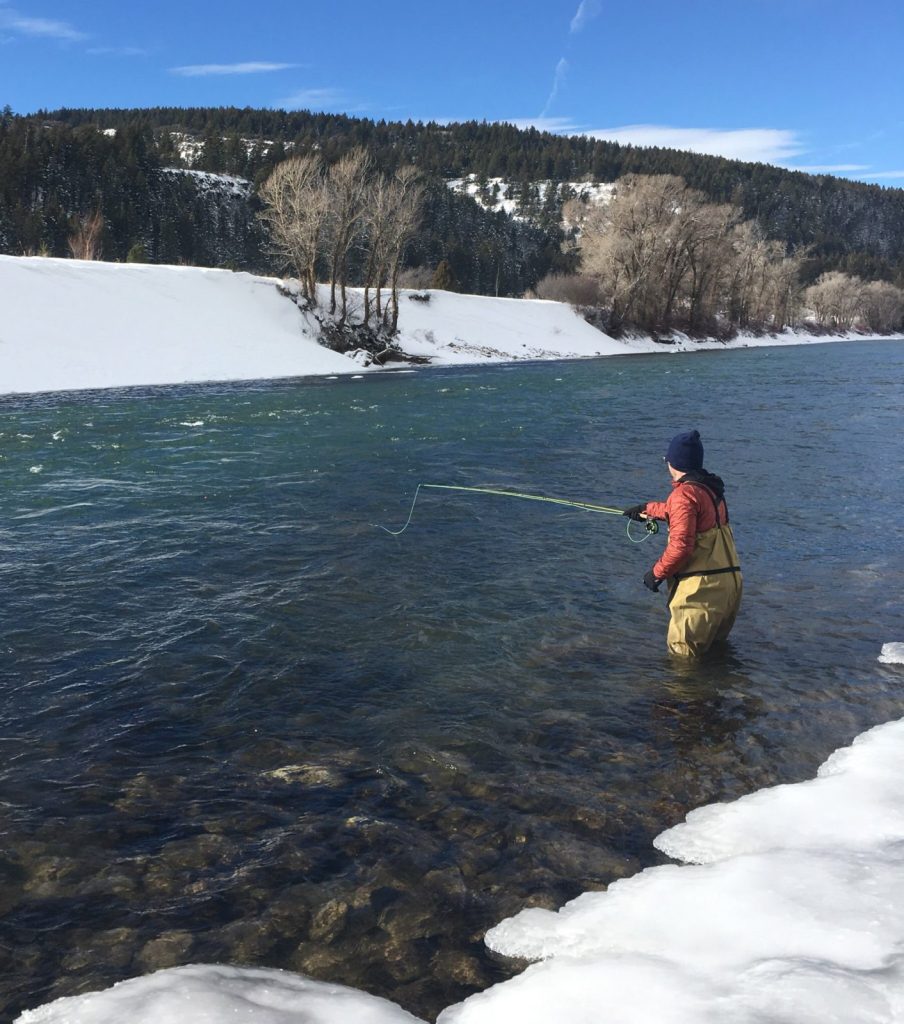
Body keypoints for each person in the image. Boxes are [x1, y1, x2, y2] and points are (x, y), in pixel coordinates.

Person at [623, 430, 742, 657]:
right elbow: (685, 514)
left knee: (683, 665)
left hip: (702, 592)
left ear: (673, 463)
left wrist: (655, 574)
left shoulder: (682, 496)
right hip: (730, 587)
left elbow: (681, 547)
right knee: (715, 658)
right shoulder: (711, 490)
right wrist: (646, 509)